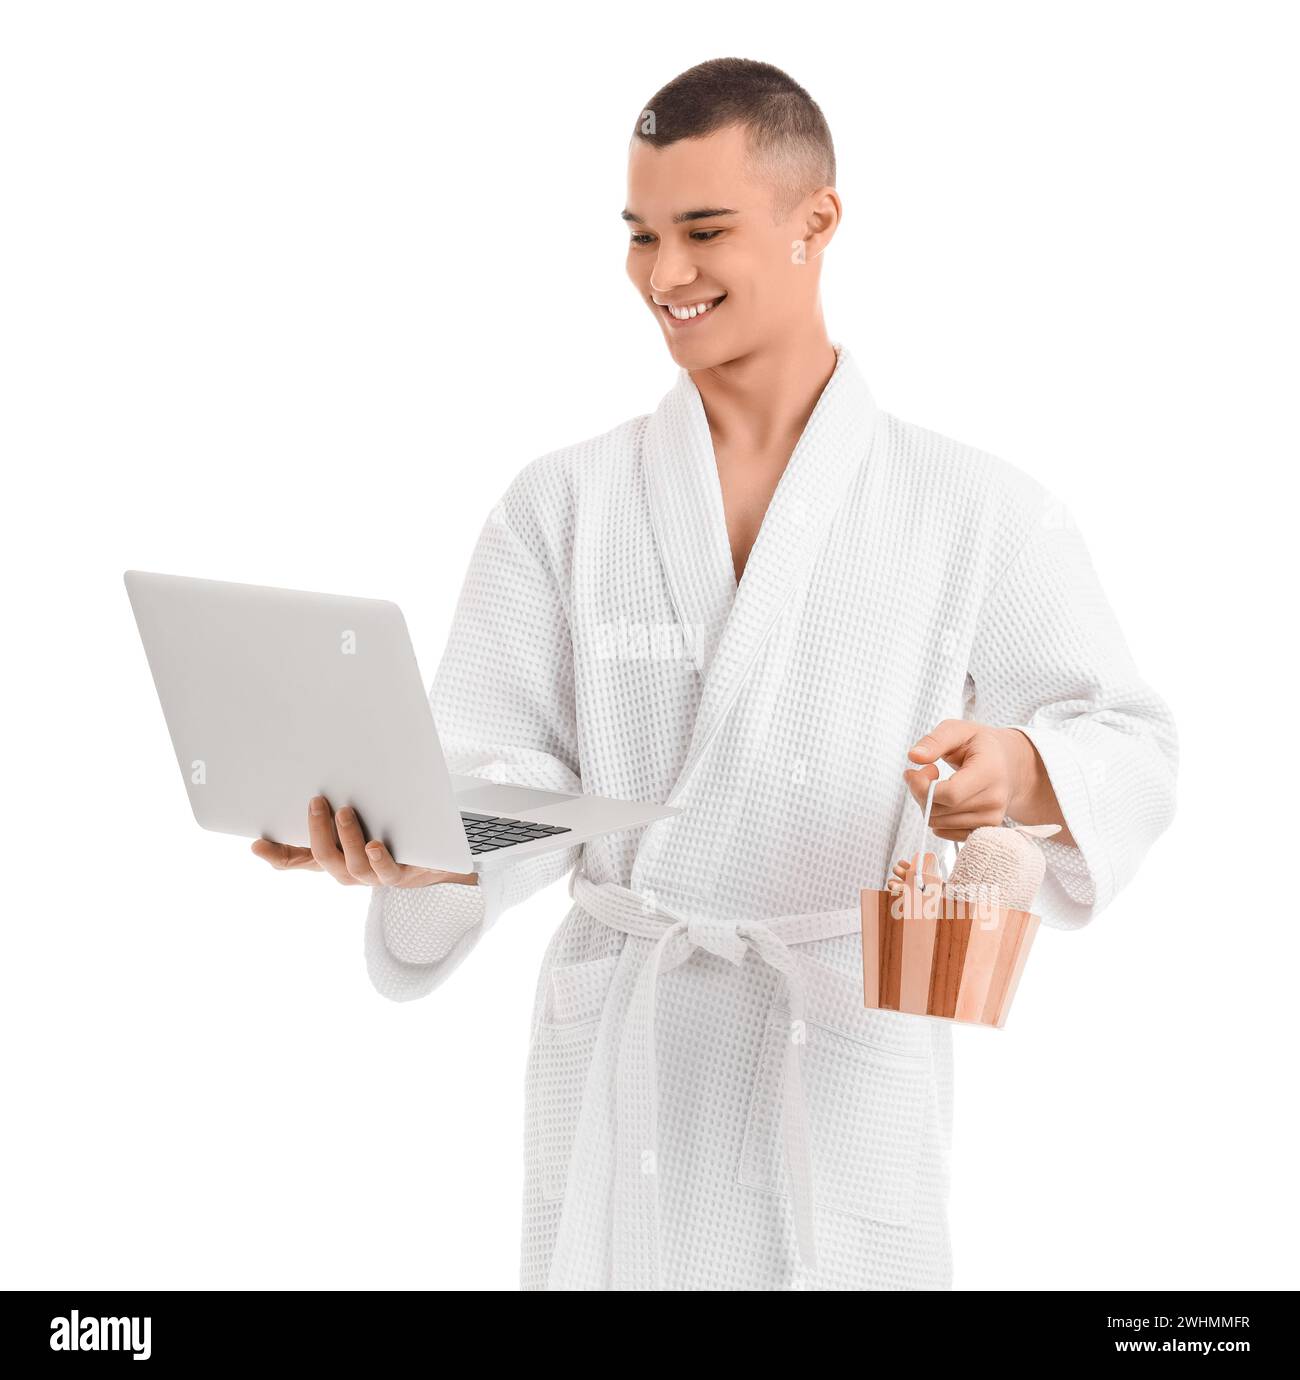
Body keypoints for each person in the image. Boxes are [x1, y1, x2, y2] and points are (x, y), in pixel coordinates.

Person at [253, 57, 1178, 1291]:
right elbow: (503, 777)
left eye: (702, 231)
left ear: (817, 223)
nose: (663, 276)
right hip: (628, 1048)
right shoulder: (562, 503)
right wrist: (409, 840)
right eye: (639, 234)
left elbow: (1129, 741)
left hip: (841, 1046)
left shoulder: (973, 508)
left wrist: (1019, 767)